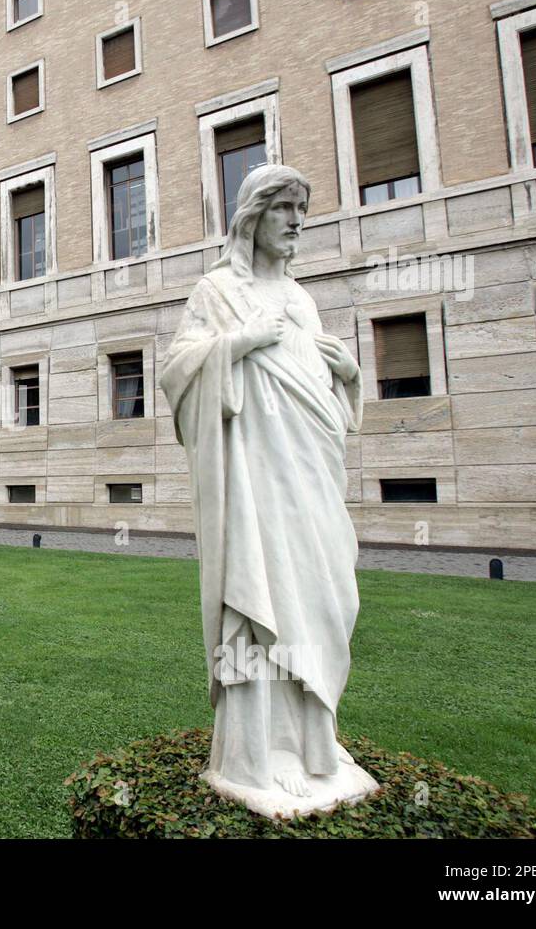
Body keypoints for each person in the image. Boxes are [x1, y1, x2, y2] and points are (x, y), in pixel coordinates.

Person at [159, 164, 372, 811]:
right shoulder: (217, 290)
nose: (296, 221)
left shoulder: (304, 299)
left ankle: (314, 741)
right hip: (257, 483)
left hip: (311, 473)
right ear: (253, 215)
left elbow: (325, 395)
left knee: (322, 591)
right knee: (267, 593)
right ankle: (258, 750)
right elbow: (176, 371)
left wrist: (348, 373)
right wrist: (241, 342)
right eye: (284, 208)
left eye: (301, 210)